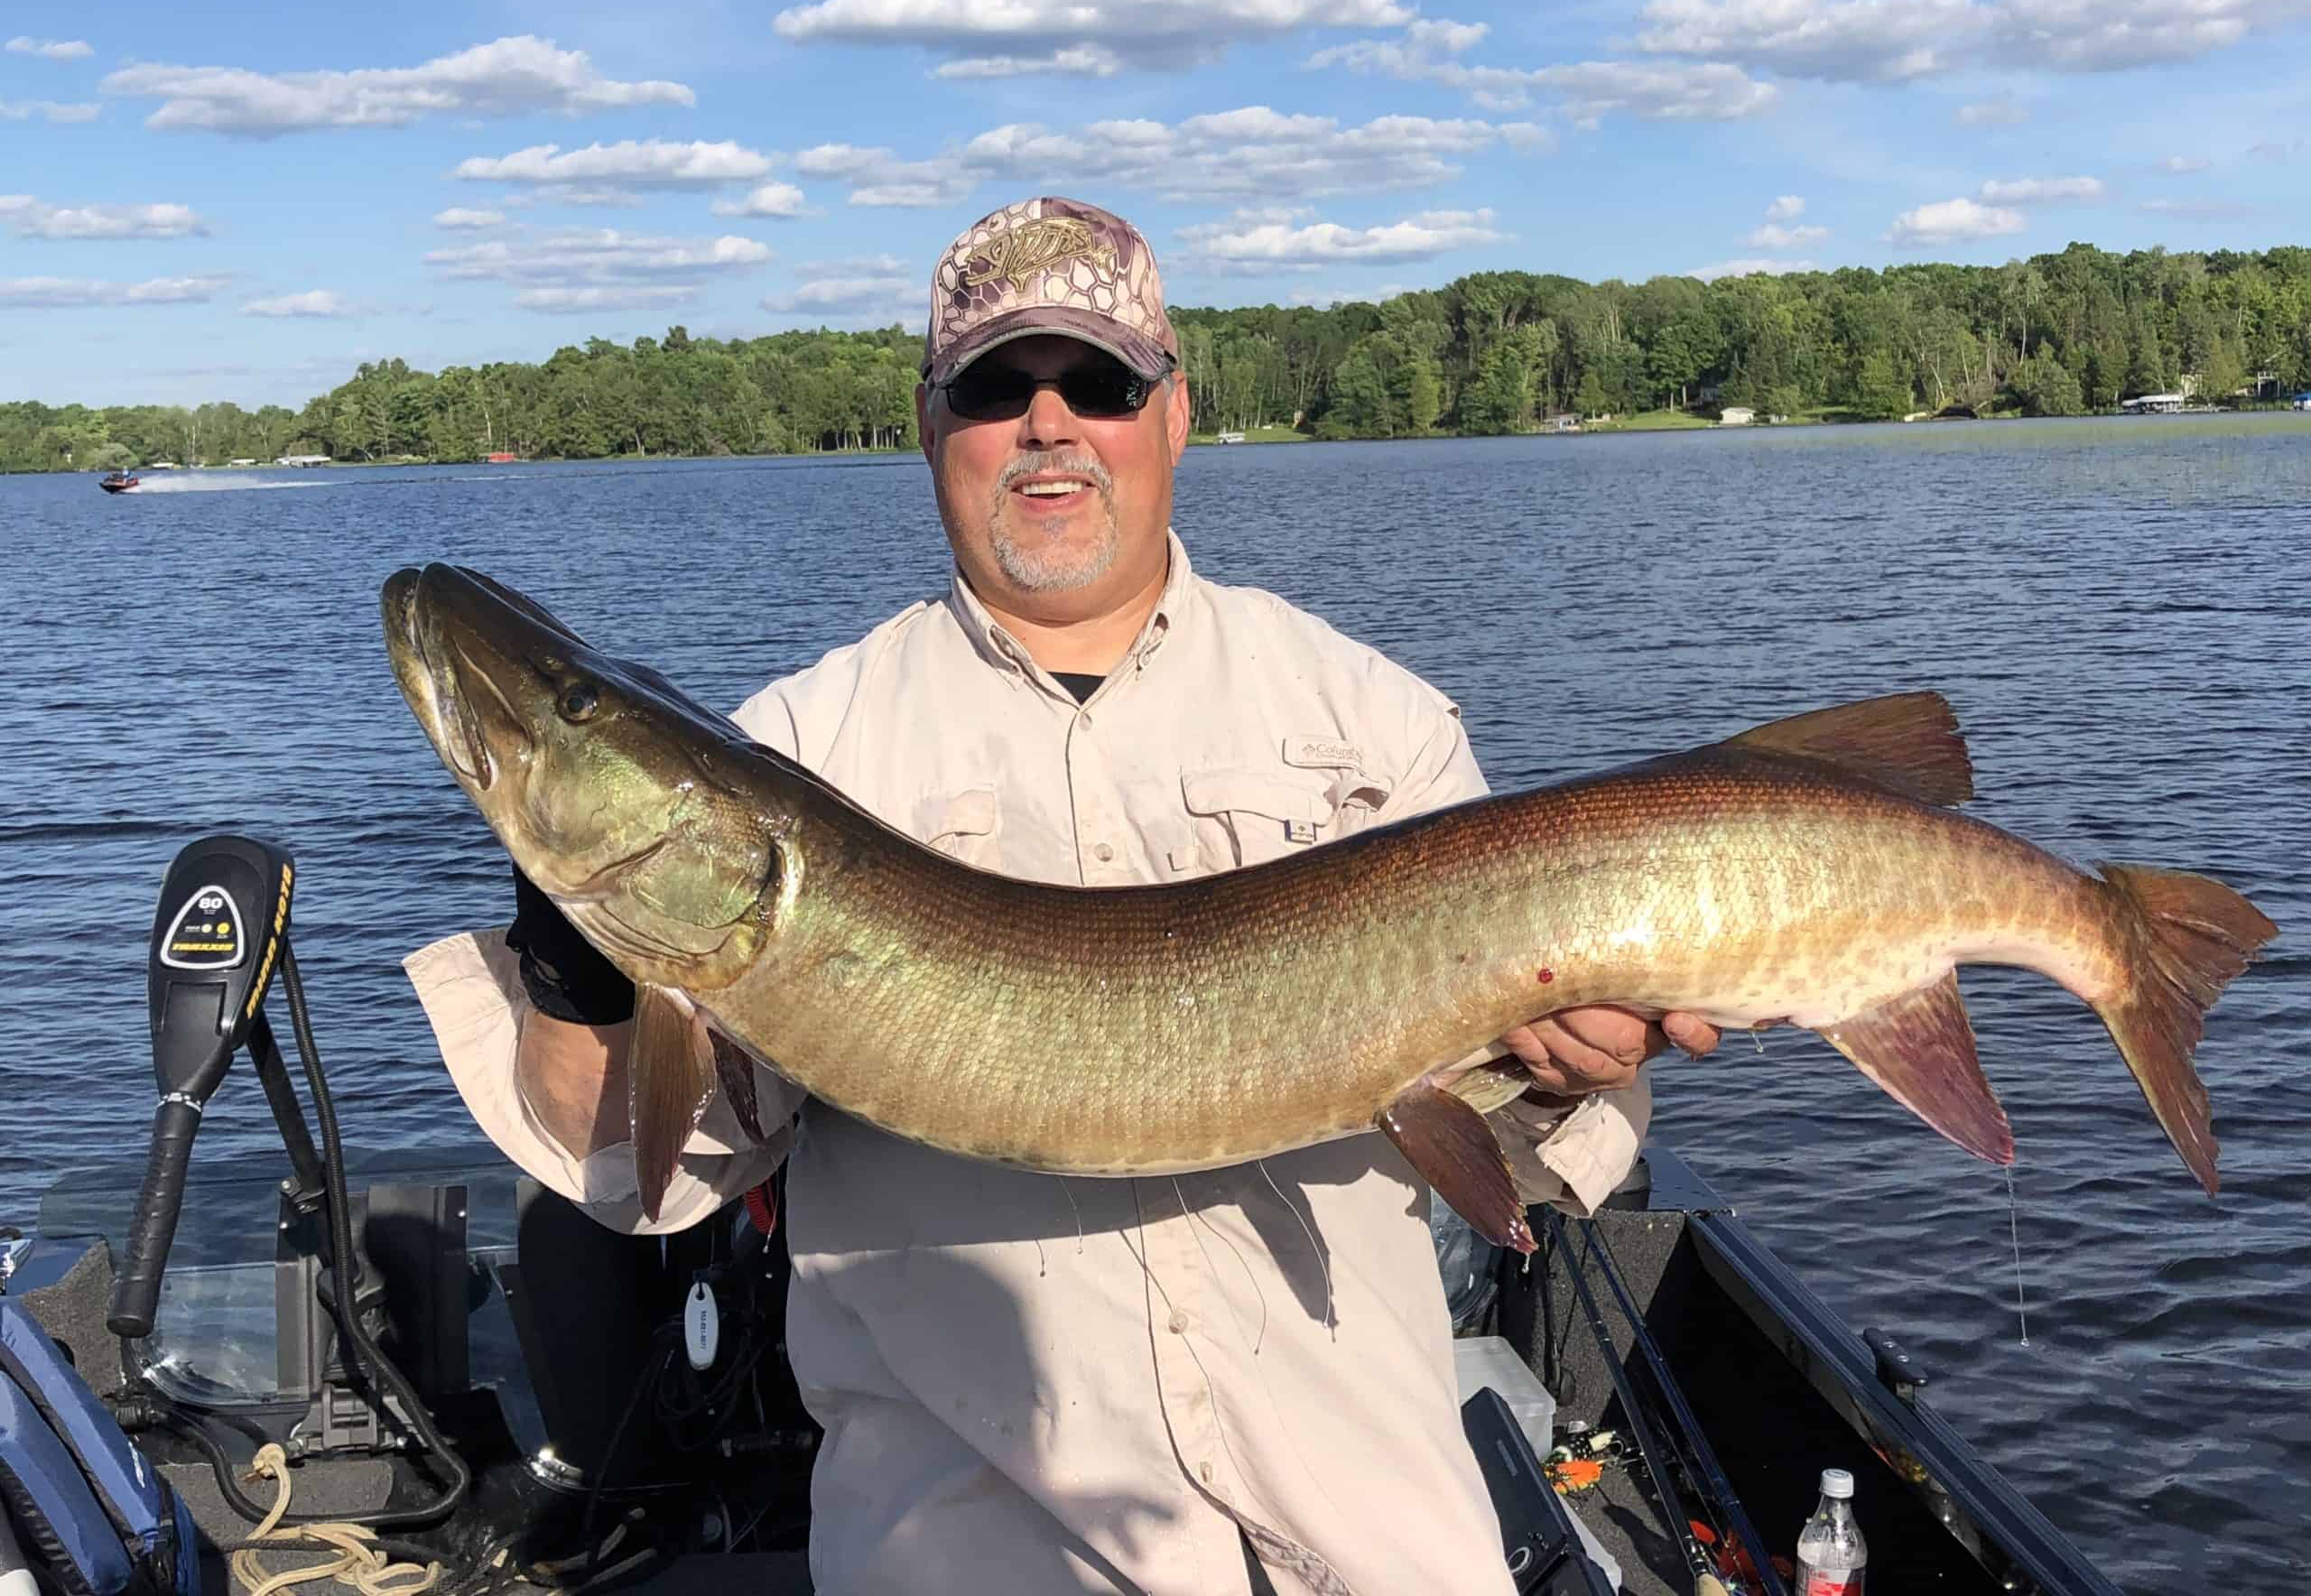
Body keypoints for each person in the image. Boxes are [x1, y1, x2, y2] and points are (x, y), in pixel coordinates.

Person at [405, 196, 1721, 1595]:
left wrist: (1573, 1072)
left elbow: (1516, 1158)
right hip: (984, 1545)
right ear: (929, 425)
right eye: (993, 388)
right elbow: (645, 1170)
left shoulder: (1370, 720)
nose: (1048, 424)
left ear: (1171, 414)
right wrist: (574, 971)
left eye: (1096, 382)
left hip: (1375, 1528)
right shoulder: (802, 745)